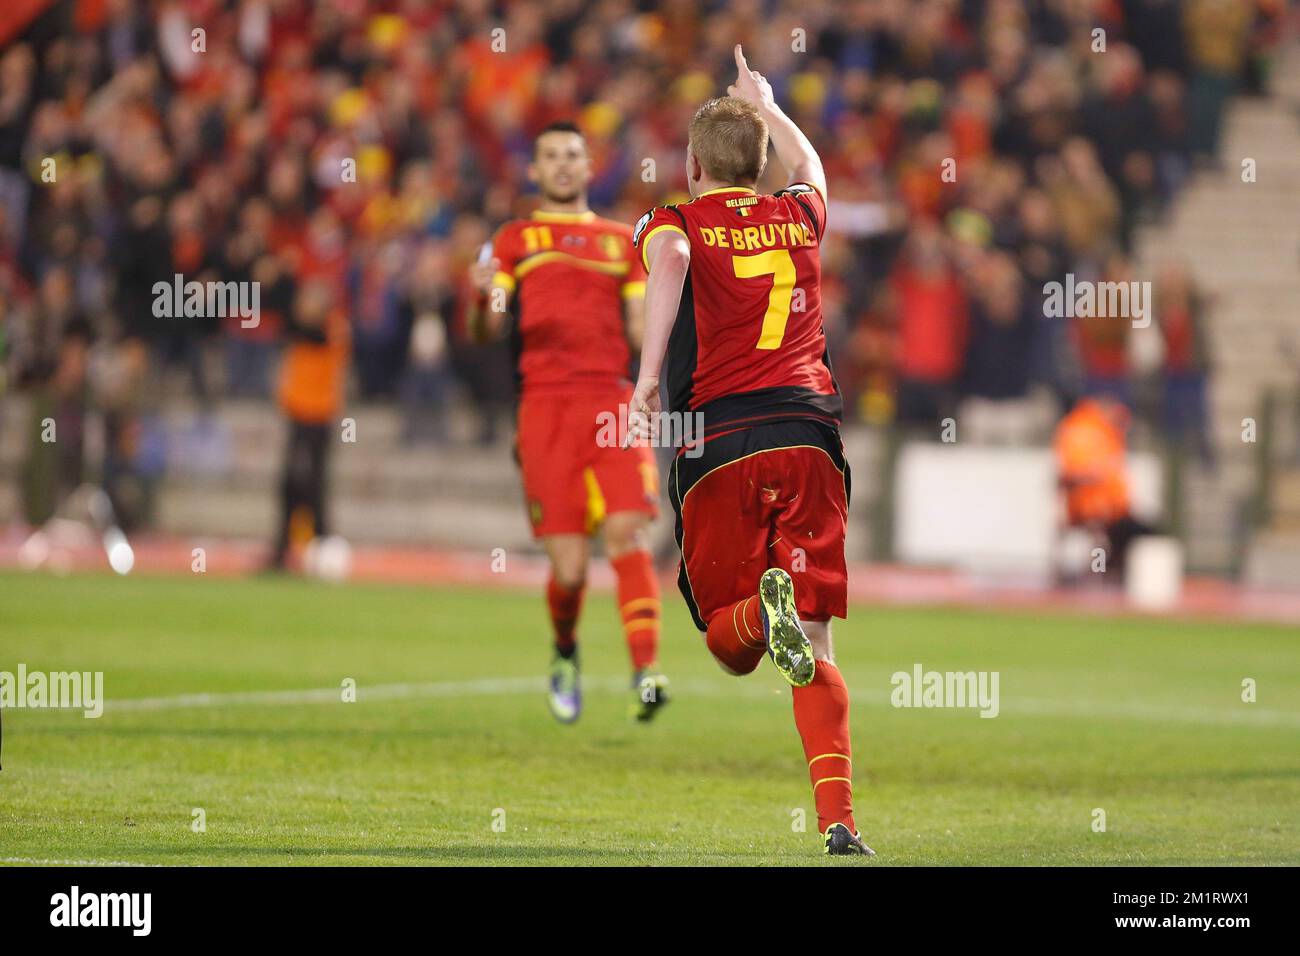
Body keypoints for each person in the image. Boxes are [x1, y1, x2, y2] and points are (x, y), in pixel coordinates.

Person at [628, 47, 872, 856]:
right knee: (820, 641)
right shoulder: (799, 212)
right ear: (762, 164)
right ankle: (838, 822)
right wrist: (765, 102)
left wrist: (645, 380)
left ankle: (760, 616)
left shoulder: (674, 220)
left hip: (719, 442)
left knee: (728, 646)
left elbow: (670, 260)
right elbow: (811, 162)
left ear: (693, 166)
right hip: (810, 437)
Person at [467, 121, 667, 725]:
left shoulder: (620, 242)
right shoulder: (514, 240)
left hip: (611, 402)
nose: (561, 164)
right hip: (546, 408)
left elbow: (637, 331)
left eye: (572, 155)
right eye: (550, 155)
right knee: (571, 569)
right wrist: (482, 299)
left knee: (627, 532)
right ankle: (564, 651)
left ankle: (646, 670)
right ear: (535, 171)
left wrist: (666, 309)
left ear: (588, 167)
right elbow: (492, 324)